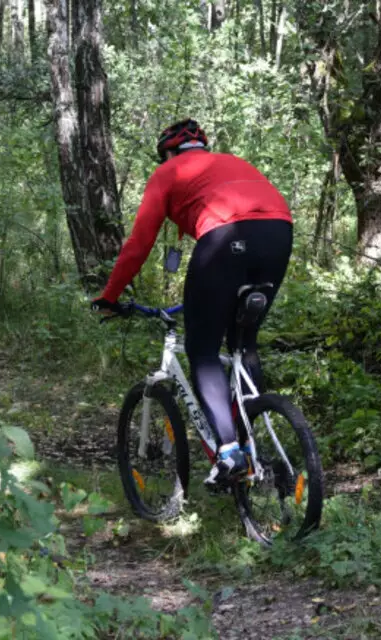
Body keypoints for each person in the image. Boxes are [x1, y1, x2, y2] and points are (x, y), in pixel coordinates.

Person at [90, 119, 293, 488]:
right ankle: (251, 429)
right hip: (279, 232)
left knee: (202, 349)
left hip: (223, 237)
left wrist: (110, 296)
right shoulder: (232, 162)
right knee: (243, 342)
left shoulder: (168, 172)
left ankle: (230, 451)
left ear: (167, 152)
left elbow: (138, 244)